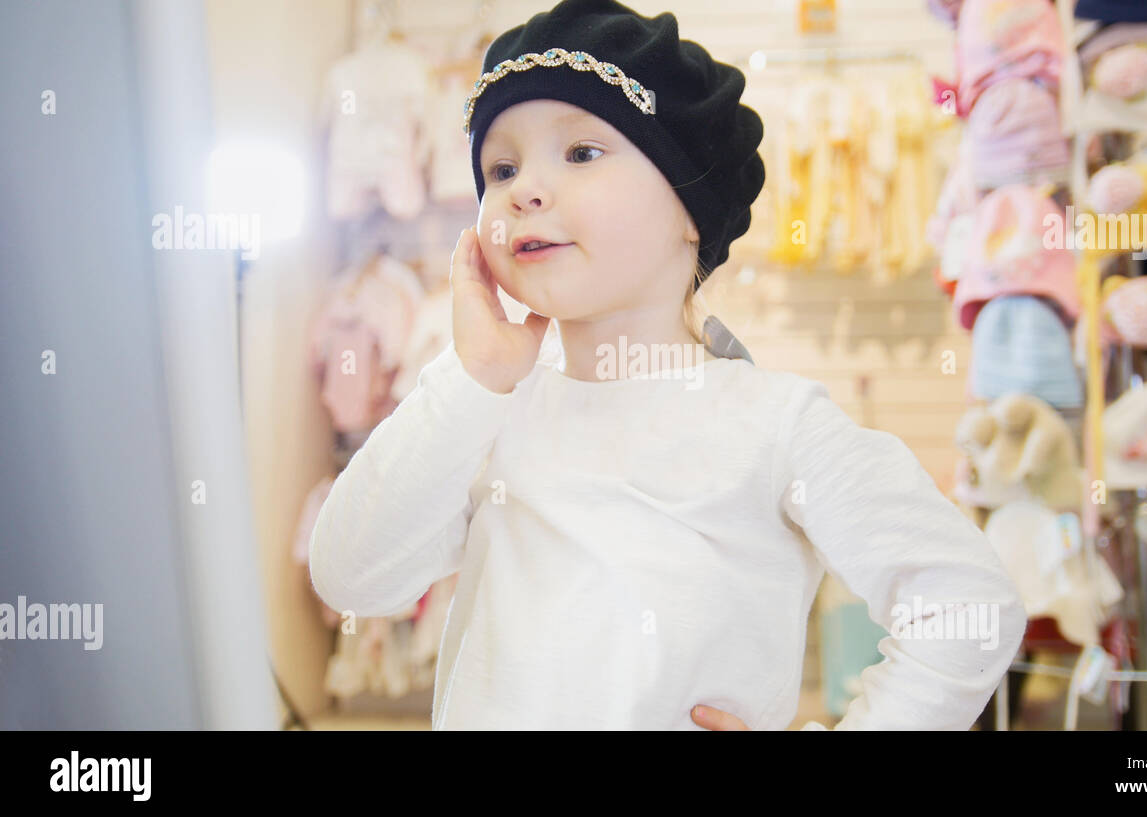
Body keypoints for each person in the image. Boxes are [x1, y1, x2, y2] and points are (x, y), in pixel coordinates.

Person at [309, 0, 1026, 730]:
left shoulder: (773, 424)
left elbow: (967, 605)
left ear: (689, 208)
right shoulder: (486, 411)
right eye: (501, 166)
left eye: (582, 152)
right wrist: (472, 379)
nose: (524, 188)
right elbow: (352, 574)